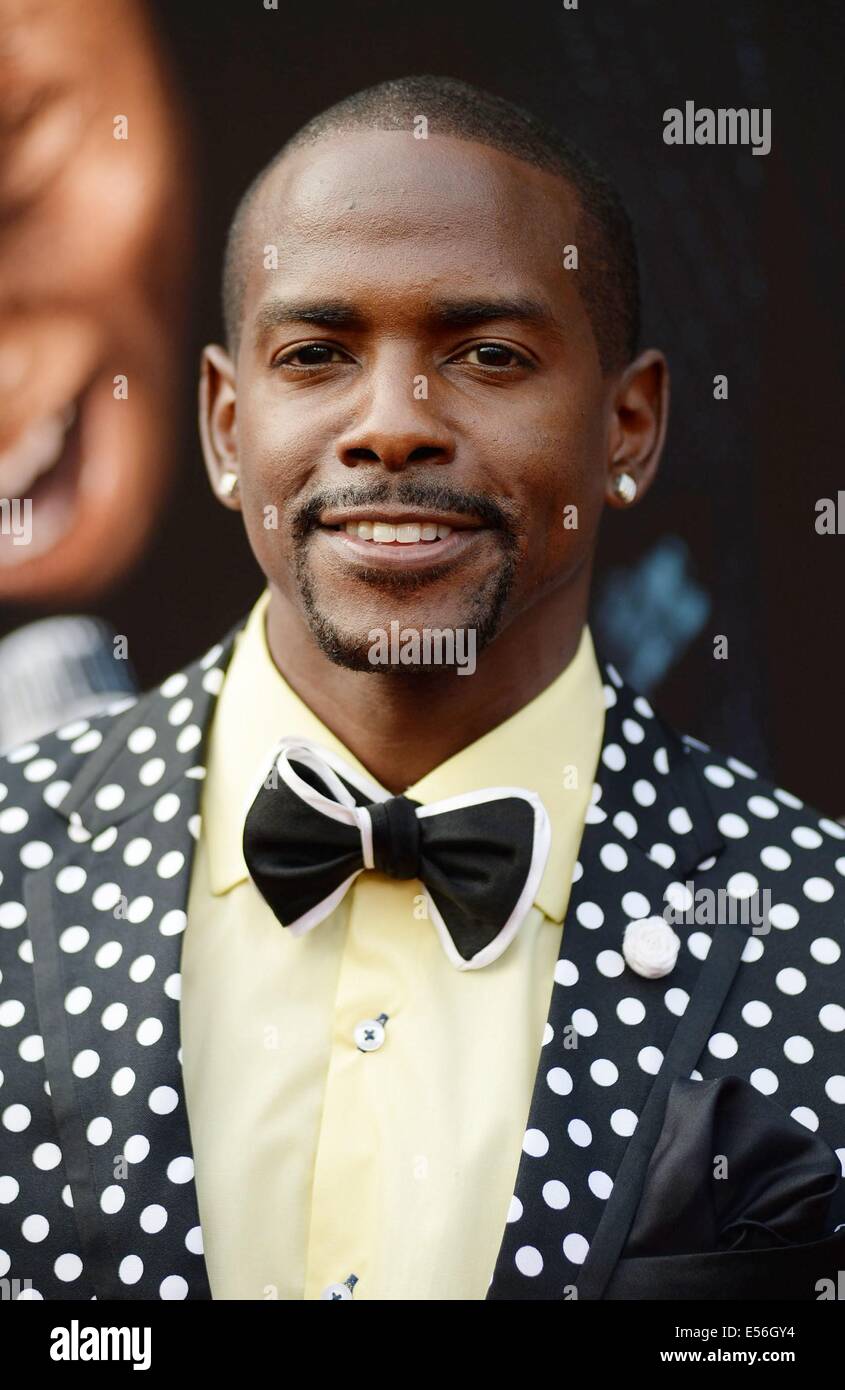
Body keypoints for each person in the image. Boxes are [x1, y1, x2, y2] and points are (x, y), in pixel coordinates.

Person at [1, 76, 842, 1303]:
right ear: (227, 428)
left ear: (629, 426)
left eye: (488, 354)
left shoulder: (813, 930)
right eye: (317, 354)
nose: (391, 424)